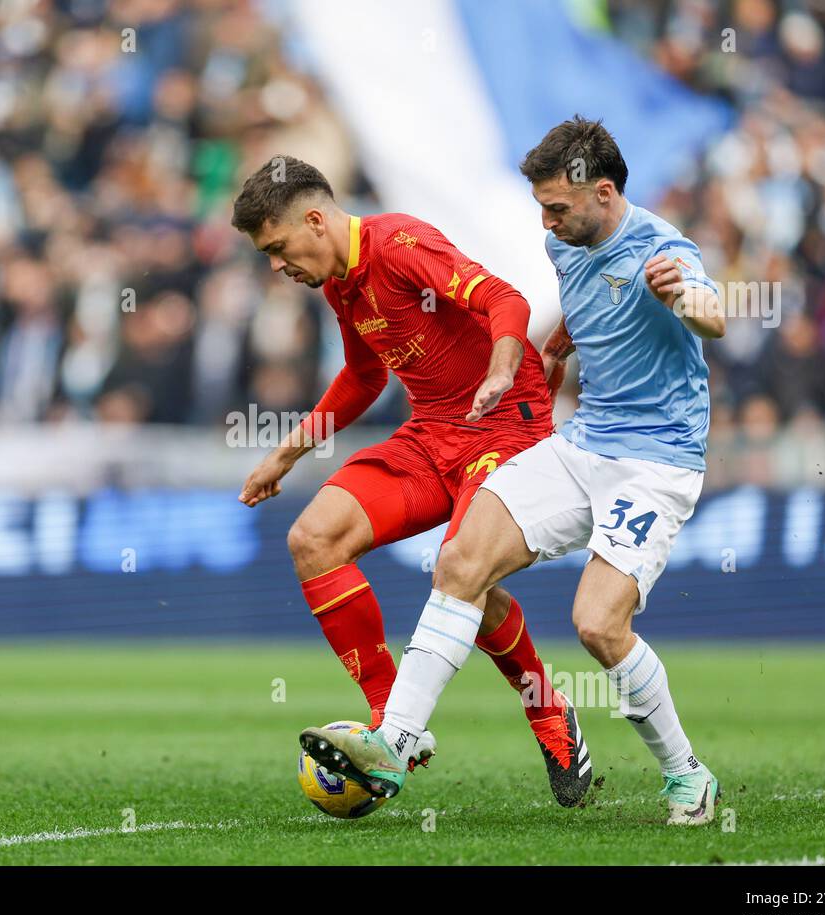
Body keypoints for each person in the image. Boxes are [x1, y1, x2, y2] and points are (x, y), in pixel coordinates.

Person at [302, 117, 727, 825]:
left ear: (605, 192)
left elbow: (714, 317)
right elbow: (592, 306)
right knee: (462, 559)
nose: (547, 222)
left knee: (596, 625)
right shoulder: (566, 246)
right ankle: (396, 741)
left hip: (653, 465)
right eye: (541, 207)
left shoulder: (661, 248)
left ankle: (686, 773)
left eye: (558, 207)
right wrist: (562, 339)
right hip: (581, 445)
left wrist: (683, 298)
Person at [232, 155, 591, 805]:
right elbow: (365, 377)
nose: (277, 266)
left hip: (504, 423)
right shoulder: (341, 281)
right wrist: (288, 453)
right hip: (433, 432)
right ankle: (386, 724)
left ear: (316, 220)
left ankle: (547, 709)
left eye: (278, 248)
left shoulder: (400, 244)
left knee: (463, 571)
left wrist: (505, 362)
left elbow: (504, 299)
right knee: (314, 538)